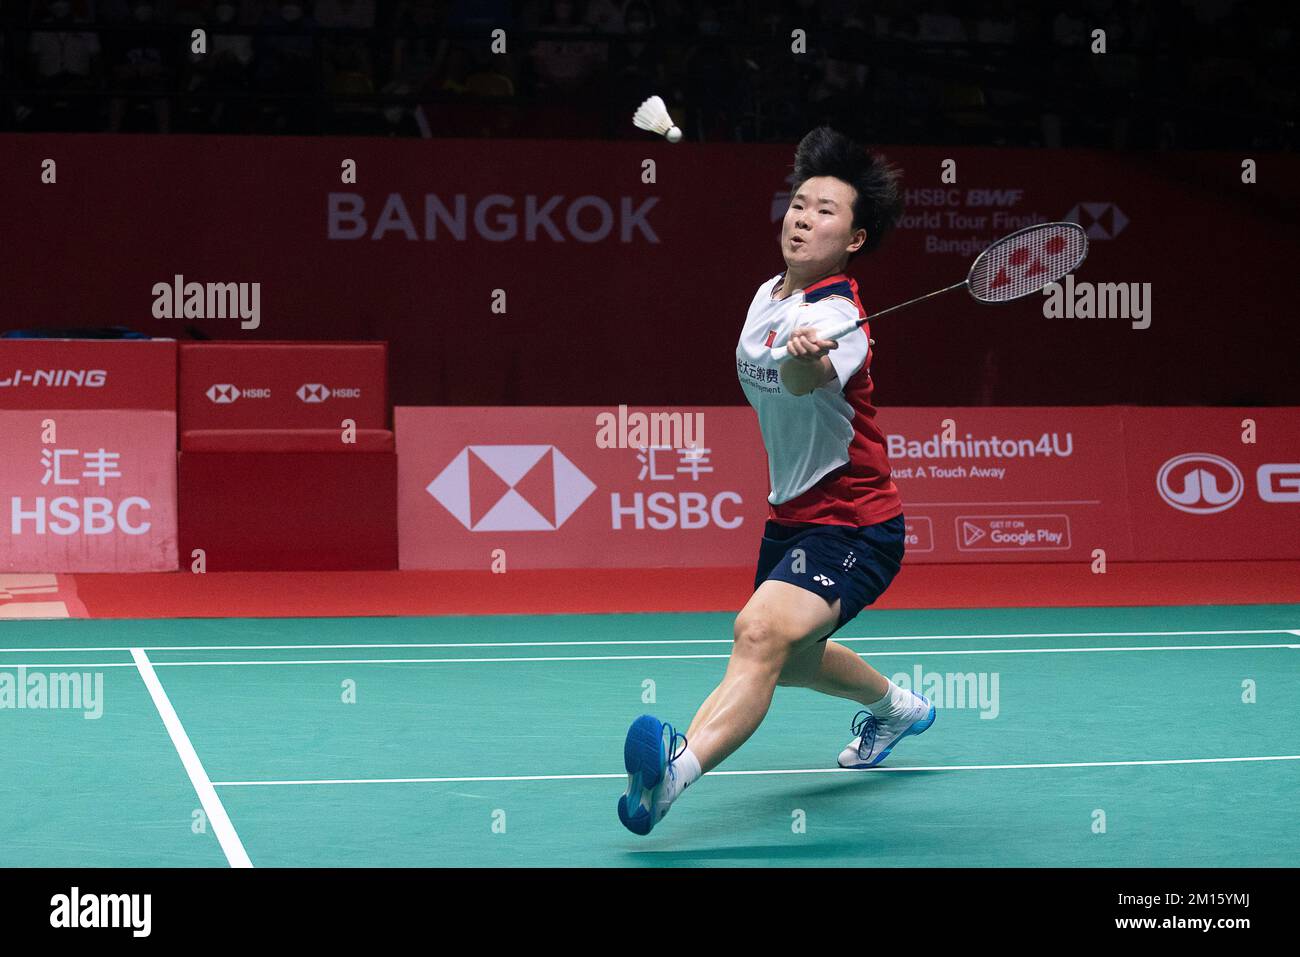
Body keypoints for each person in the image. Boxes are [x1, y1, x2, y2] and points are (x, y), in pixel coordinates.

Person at [618, 126, 934, 836]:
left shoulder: (842, 319)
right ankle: (899, 709)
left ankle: (672, 776)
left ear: (855, 238)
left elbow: (801, 381)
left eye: (825, 211)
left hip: (855, 522)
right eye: (798, 203)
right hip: (792, 516)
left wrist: (803, 357)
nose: (803, 218)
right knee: (790, 661)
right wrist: (790, 351)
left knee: (758, 634)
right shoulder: (769, 293)